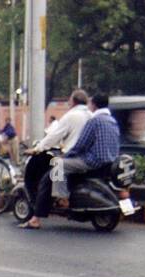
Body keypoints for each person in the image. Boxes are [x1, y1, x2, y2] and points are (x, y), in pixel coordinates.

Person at [22, 91, 120, 230]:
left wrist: (44, 149)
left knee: (55, 168)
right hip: (108, 162)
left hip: (91, 161)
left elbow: (78, 143)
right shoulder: (110, 120)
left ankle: (57, 202)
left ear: (73, 102)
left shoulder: (88, 119)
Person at [23, 89, 91, 200]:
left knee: (55, 169)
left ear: (73, 101)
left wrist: (38, 148)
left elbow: (54, 136)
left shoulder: (71, 115)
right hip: (88, 157)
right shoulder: (90, 115)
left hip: (73, 156)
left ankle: (60, 197)